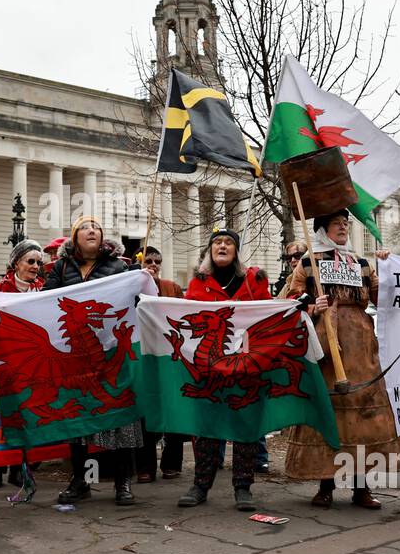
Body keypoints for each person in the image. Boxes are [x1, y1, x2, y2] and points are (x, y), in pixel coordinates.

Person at [281, 208, 400, 510]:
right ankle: (326, 483)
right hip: (326, 345)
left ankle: (362, 487)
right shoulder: (308, 263)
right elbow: (288, 301)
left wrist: (386, 266)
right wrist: (312, 305)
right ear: (322, 228)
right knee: (331, 412)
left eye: (345, 224)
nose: (343, 228)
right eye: (337, 224)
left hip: (361, 345)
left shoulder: (360, 263)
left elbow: (381, 298)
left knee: (361, 415)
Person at [44, 216, 140, 505]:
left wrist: (135, 281)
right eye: (85, 227)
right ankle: (83, 481)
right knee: (79, 422)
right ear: (74, 237)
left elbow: (131, 304)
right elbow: (45, 301)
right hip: (77, 358)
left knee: (120, 416)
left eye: (97, 228)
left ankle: (122, 482)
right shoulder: (61, 268)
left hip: (110, 350)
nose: (92, 231)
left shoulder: (117, 266)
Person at [176, 229, 272, 512]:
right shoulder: (198, 281)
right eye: (217, 242)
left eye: (228, 242)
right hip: (210, 371)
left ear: (236, 250)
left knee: (245, 426)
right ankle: (200, 485)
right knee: (205, 428)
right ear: (209, 250)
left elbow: (268, 311)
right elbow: (187, 316)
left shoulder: (254, 279)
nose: (222, 245)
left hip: (245, 366)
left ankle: (243, 487)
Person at [0, 239, 45, 489]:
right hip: (1, 363)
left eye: (39, 263)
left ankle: (21, 467)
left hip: (29, 366)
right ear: (16, 263)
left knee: (25, 415)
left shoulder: (43, 290)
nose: (35, 266)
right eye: (30, 261)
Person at [136, 245, 186, 482]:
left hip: (170, 354)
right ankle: (145, 466)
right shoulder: (132, 287)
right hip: (144, 356)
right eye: (148, 261)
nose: (153, 265)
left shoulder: (172, 288)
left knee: (174, 408)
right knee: (146, 411)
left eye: (157, 261)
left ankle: (172, 463)